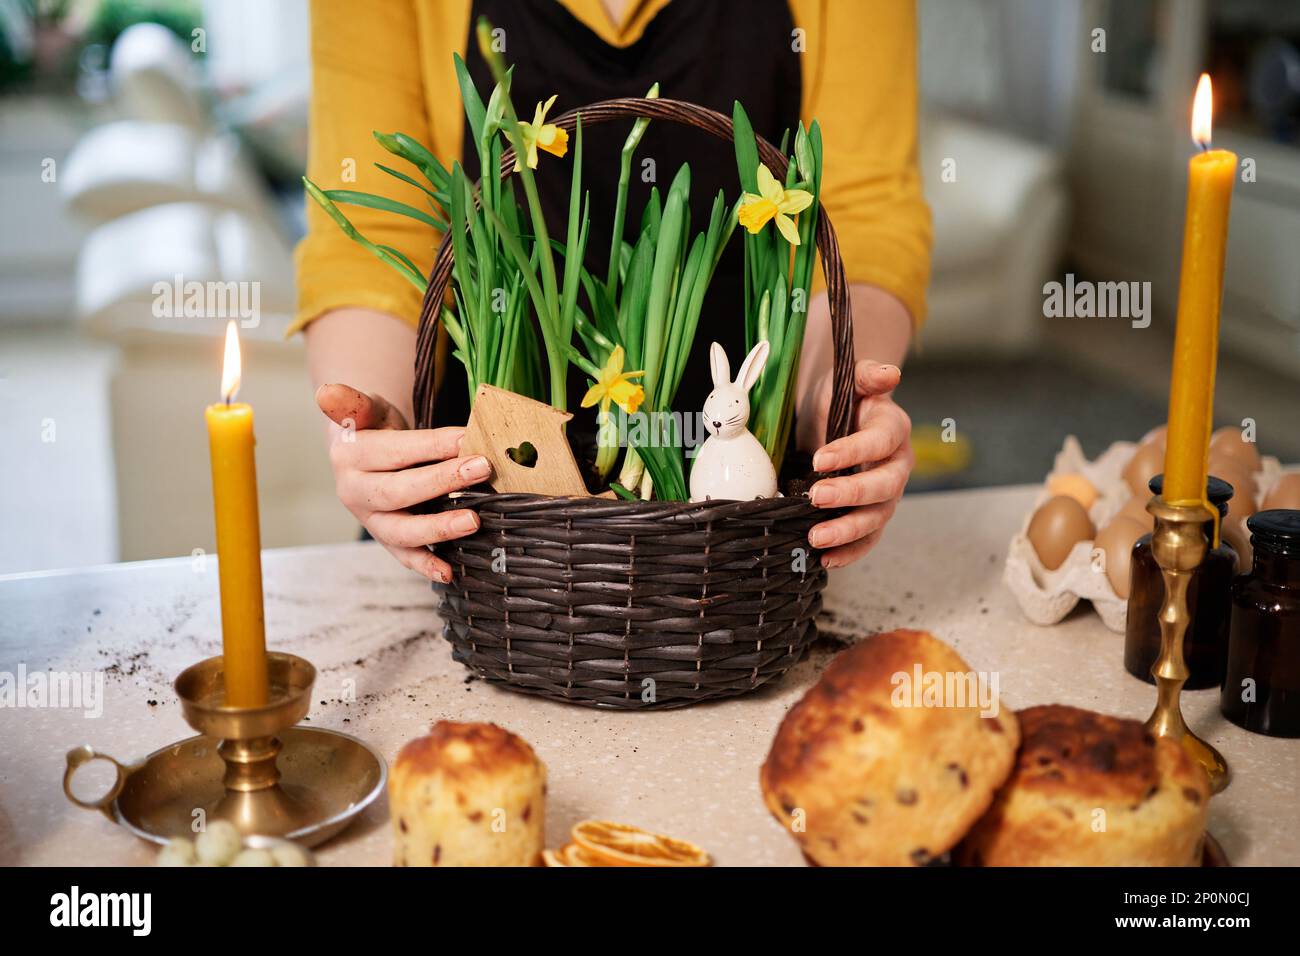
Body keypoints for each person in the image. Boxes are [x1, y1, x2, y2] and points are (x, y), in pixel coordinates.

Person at [296, 0, 931, 583]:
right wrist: (381, 430)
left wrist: (831, 396)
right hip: (472, 519)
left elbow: (863, 211)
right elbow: (375, 240)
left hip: (752, 540)